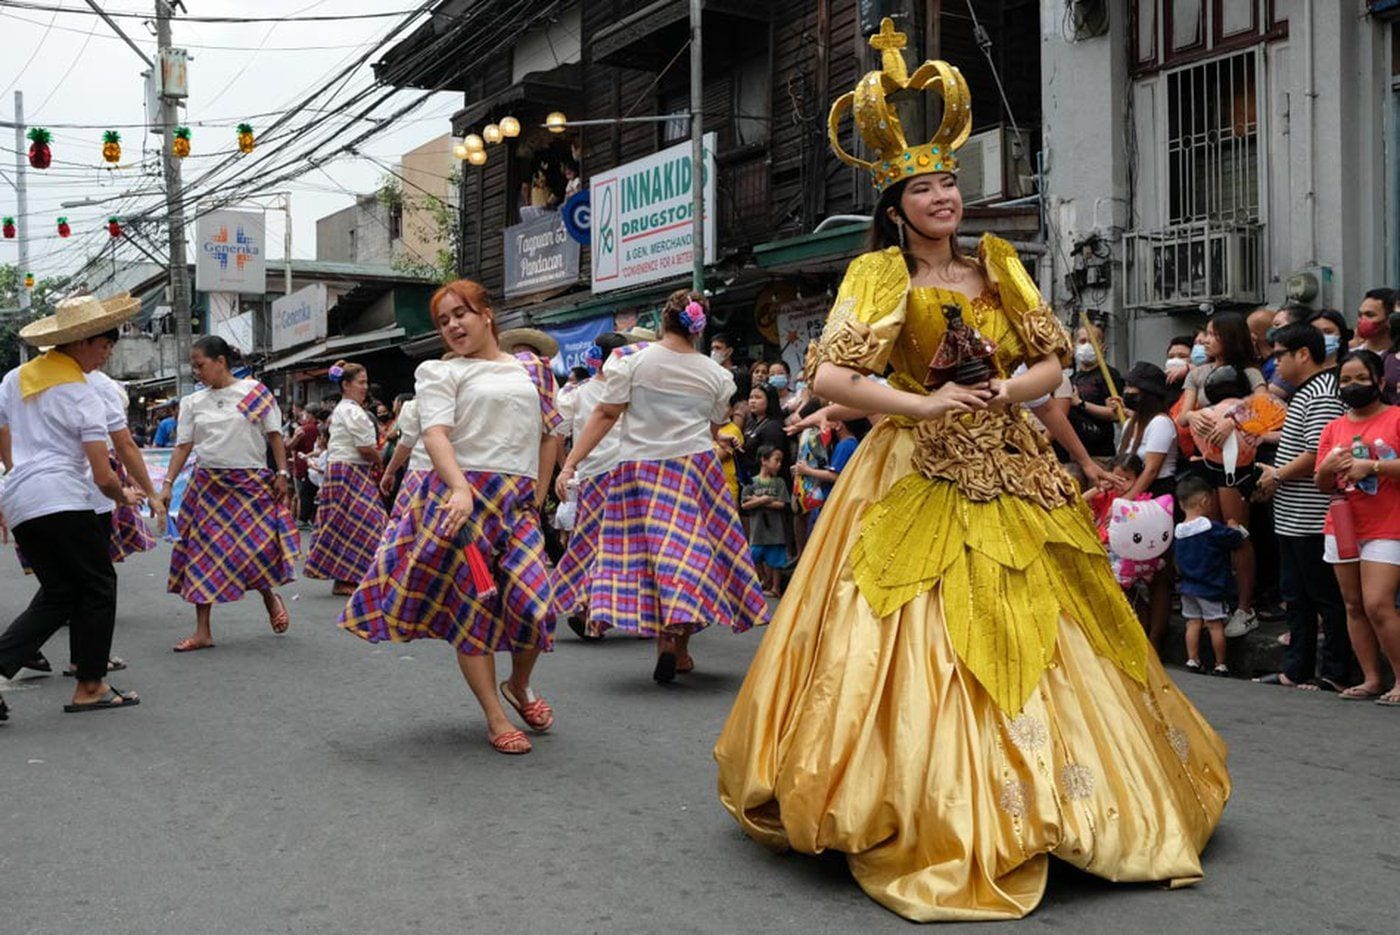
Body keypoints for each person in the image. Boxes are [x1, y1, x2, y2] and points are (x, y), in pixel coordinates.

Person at [715, 30, 1227, 922]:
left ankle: (1085, 799)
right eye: (924, 187)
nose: (944, 197)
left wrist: (998, 394)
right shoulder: (878, 274)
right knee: (911, 627)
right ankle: (929, 800)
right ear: (897, 205)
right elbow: (831, 379)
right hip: (911, 466)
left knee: (1055, 617)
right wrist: (921, 407)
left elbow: (1050, 365)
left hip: (1010, 466)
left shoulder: (998, 263)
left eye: (949, 183)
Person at [339, 279, 562, 755]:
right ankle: (496, 716)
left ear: (486, 314)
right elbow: (435, 434)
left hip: (516, 503)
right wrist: (459, 489)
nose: (453, 326)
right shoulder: (439, 373)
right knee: (474, 610)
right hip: (462, 504)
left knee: (535, 603)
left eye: (461, 313)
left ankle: (518, 685)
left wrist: (538, 496)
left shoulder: (535, 372)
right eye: (443, 320)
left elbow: (550, 435)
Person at [556, 290, 768, 683]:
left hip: (641, 471)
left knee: (649, 562)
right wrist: (719, 438)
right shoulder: (716, 375)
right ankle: (677, 644)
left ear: (663, 322)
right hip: (696, 471)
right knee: (691, 558)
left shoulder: (633, 363)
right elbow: (711, 425)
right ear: (699, 328)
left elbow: (604, 414)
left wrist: (570, 463)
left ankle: (668, 639)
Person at [0, 294, 143, 718]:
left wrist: (15, 476)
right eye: (104, 348)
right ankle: (91, 685)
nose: (104, 357)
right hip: (62, 496)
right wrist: (126, 496)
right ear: (82, 342)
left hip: (22, 497)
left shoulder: (14, 378)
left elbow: (4, 435)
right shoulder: (83, 394)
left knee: (62, 592)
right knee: (98, 585)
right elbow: (103, 474)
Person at [163, 337, 298, 652]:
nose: (197, 372)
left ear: (220, 361)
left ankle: (269, 597)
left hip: (251, 483)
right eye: (194, 366)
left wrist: (281, 473)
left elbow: (275, 436)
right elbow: (184, 445)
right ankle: (202, 631)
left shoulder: (254, 393)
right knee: (202, 554)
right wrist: (168, 482)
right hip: (208, 486)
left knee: (252, 551)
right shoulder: (193, 403)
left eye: (200, 365)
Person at [1252, 324, 1351, 691]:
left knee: (1324, 597)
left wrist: (1276, 474)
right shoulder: (1306, 391)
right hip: (1293, 514)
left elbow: (1317, 456)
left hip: (1313, 514)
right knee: (1297, 596)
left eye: (1280, 354)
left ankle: (1336, 671)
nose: (1275, 362)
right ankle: (1297, 669)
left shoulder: (1323, 394)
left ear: (1303, 355)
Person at [1314, 349, 1400, 705]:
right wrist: (1327, 468)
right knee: (1353, 605)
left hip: (1388, 522)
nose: (1352, 386)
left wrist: (1374, 469)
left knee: (1378, 603)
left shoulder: (1395, 418)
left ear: (1380, 381)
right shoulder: (1333, 427)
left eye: (1361, 379)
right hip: (1343, 525)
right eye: (1345, 380)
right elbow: (1321, 483)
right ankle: (1371, 678)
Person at [1175, 312, 1266, 637]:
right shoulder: (1197, 373)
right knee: (1207, 530)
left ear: (1230, 336)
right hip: (1204, 459)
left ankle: (1245, 607)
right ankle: (1214, 602)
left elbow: (1264, 405)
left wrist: (1234, 419)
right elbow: (1183, 415)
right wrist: (1195, 416)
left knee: (1236, 532)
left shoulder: (1250, 372)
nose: (1206, 340)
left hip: (1236, 463)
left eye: (1213, 334)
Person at [550, 331, 635, 640]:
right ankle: (600, 609)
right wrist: (567, 469)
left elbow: (558, 433)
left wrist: (566, 468)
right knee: (624, 544)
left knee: (590, 544)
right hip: (624, 474)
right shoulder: (626, 391)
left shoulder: (577, 393)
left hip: (593, 475)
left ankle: (589, 606)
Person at [303, 361, 387, 595]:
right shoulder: (350, 410)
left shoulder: (348, 409)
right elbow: (364, 448)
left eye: (366, 383)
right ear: (346, 385)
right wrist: (380, 460)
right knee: (368, 522)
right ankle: (349, 578)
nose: (364, 387)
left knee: (349, 524)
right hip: (348, 471)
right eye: (360, 383)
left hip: (348, 470)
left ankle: (350, 577)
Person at [1114, 362, 1180, 646]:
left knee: (1158, 576)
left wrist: (1126, 502)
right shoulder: (1131, 423)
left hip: (1155, 498)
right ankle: (1136, 633)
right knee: (1130, 572)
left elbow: (1151, 469)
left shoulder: (1161, 423)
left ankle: (1155, 639)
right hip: (1131, 495)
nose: (1128, 393)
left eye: (1134, 389)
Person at [1174, 474, 1249, 677]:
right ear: (1206, 501)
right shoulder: (1210, 528)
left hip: (1188, 586)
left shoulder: (1179, 531)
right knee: (1215, 625)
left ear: (1181, 504)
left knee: (1192, 623)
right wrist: (1235, 528)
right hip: (1210, 586)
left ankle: (1192, 659)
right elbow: (1234, 538)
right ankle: (1220, 664)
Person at [1064, 321, 1123, 462]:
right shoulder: (1072, 379)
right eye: (1082, 341)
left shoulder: (1109, 375)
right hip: (1074, 455)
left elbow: (1115, 414)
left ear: (1102, 346)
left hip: (1100, 455)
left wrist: (1080, 403)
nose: (1086, 346)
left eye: (1091, 342)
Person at [741, 445, 790, 597]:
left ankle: (775, 587)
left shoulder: (779, 482)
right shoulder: (751, 482)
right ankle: (764, 579)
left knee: (776, 559)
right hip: (758, 531)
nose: (779, 464)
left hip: (775, 530)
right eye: (776, 460)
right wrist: (763, 500)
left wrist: (760, 500)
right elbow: (744, 504)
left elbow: (781, 503)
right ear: (764, 461)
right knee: (754, 556)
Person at [378, 395, 432, 525]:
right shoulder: (465, 400)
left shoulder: (415, 406)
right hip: (463, 473)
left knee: (408, 526)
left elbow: (407, 441)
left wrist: (389, 471)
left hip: (421, 472)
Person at [740, 382, 789, 482]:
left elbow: (772, 463)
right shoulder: (752, 422)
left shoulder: (773, 427)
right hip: (750, 479)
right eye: (751, 397)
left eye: (757, 398)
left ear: (769, 401)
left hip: (767, 484)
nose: (752, 401)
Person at [287, 404, 320, 524]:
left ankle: (301, 521)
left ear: (311, 415)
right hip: (317, 466)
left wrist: (295, 437)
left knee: (301, 496)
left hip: (302, 465)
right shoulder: (321, 428)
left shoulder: (303, 430)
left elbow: (290, 446)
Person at [709, 333, 751, 401]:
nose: (714, 352)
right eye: (712, 349)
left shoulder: (740, 374)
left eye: (718, 348)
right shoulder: (711, 373)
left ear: (729, 351)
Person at [1352, 287, 1394, 355]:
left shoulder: (1395, 360)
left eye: (1370, 315)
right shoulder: (1350, 357)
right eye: (1360, 315)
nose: (1362, 320)